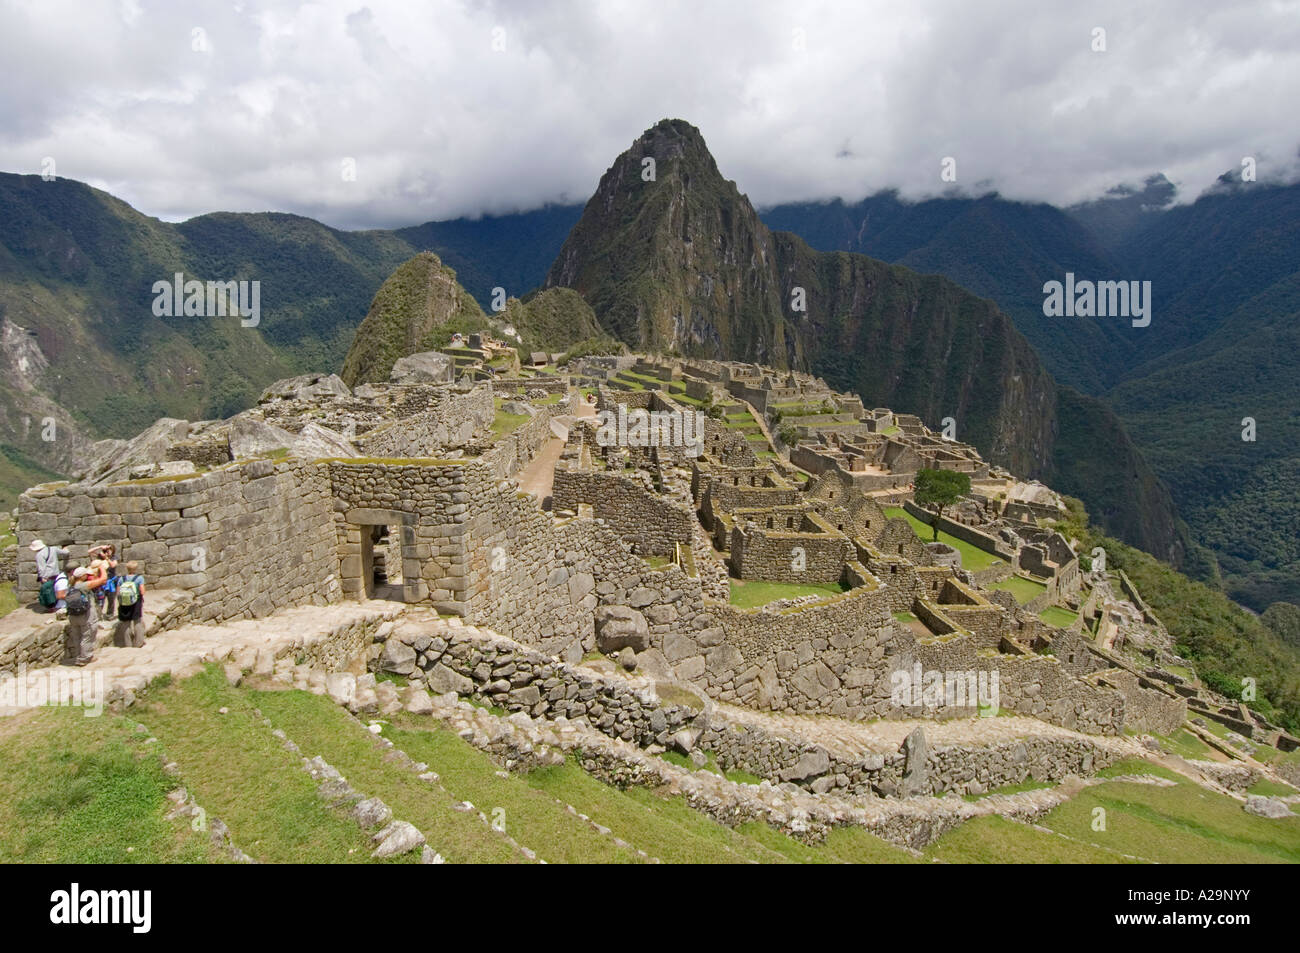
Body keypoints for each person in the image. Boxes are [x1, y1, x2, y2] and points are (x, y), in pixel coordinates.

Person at [61, 566, 98, 666]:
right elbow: (103, 580)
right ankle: (85, 658)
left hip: (73, 615)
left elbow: (62, 596)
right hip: (85, 615)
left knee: (77, 636)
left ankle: (78, 656)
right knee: (87, 635)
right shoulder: (83, 586)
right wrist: (102, 568)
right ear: (82, 576)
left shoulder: (70, 587)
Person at [113, 561, 146, 648]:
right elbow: (142, 591)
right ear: (135, 568)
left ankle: (128, 644)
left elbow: (118, 592)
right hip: (136, 602)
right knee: (137, 621)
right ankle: (139, 643)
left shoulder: (121, 579)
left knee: (125, 623)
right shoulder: (139, 578)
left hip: (124, 603)